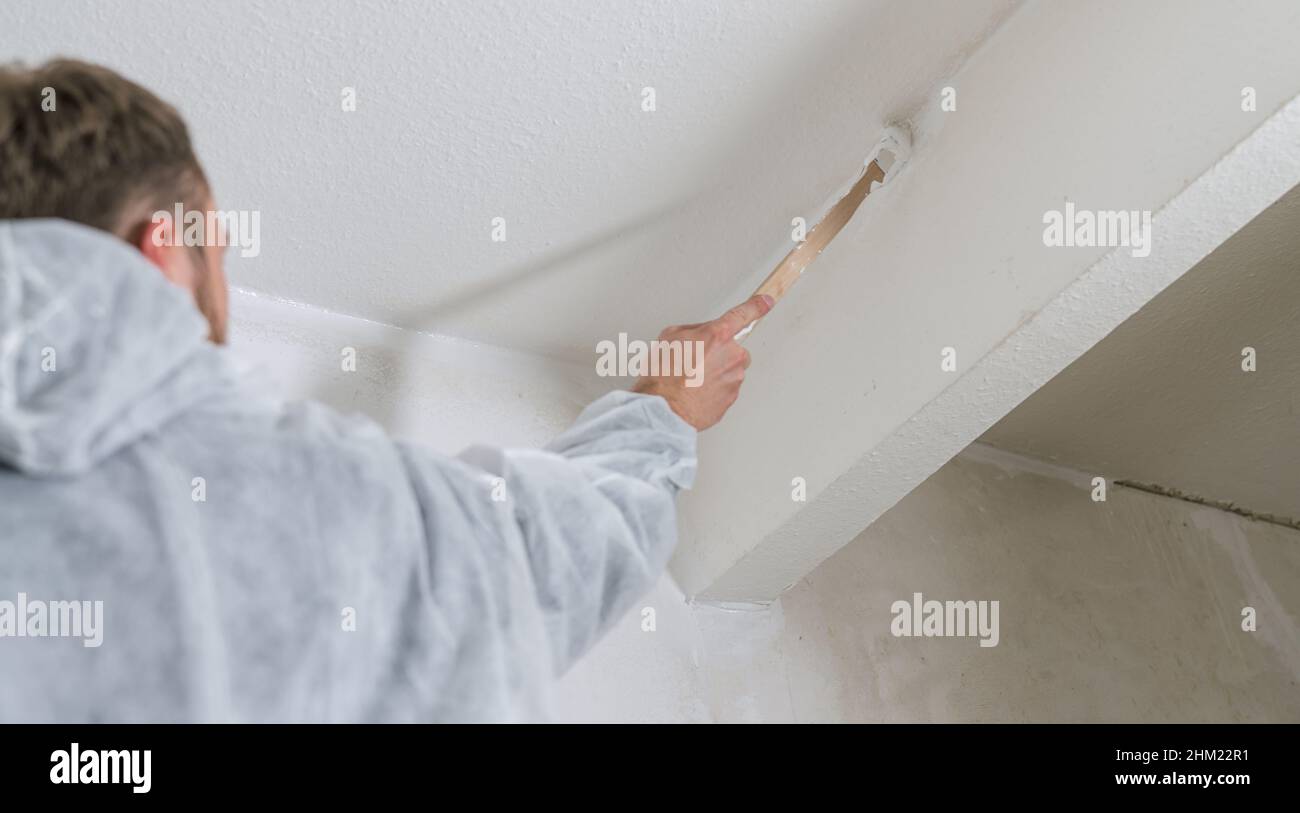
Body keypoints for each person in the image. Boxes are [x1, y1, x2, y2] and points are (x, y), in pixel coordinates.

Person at [0, 59, 771, 721]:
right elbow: (557, 551)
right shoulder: (364, 510)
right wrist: (665, 409)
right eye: (220, 250)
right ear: (167, 250)